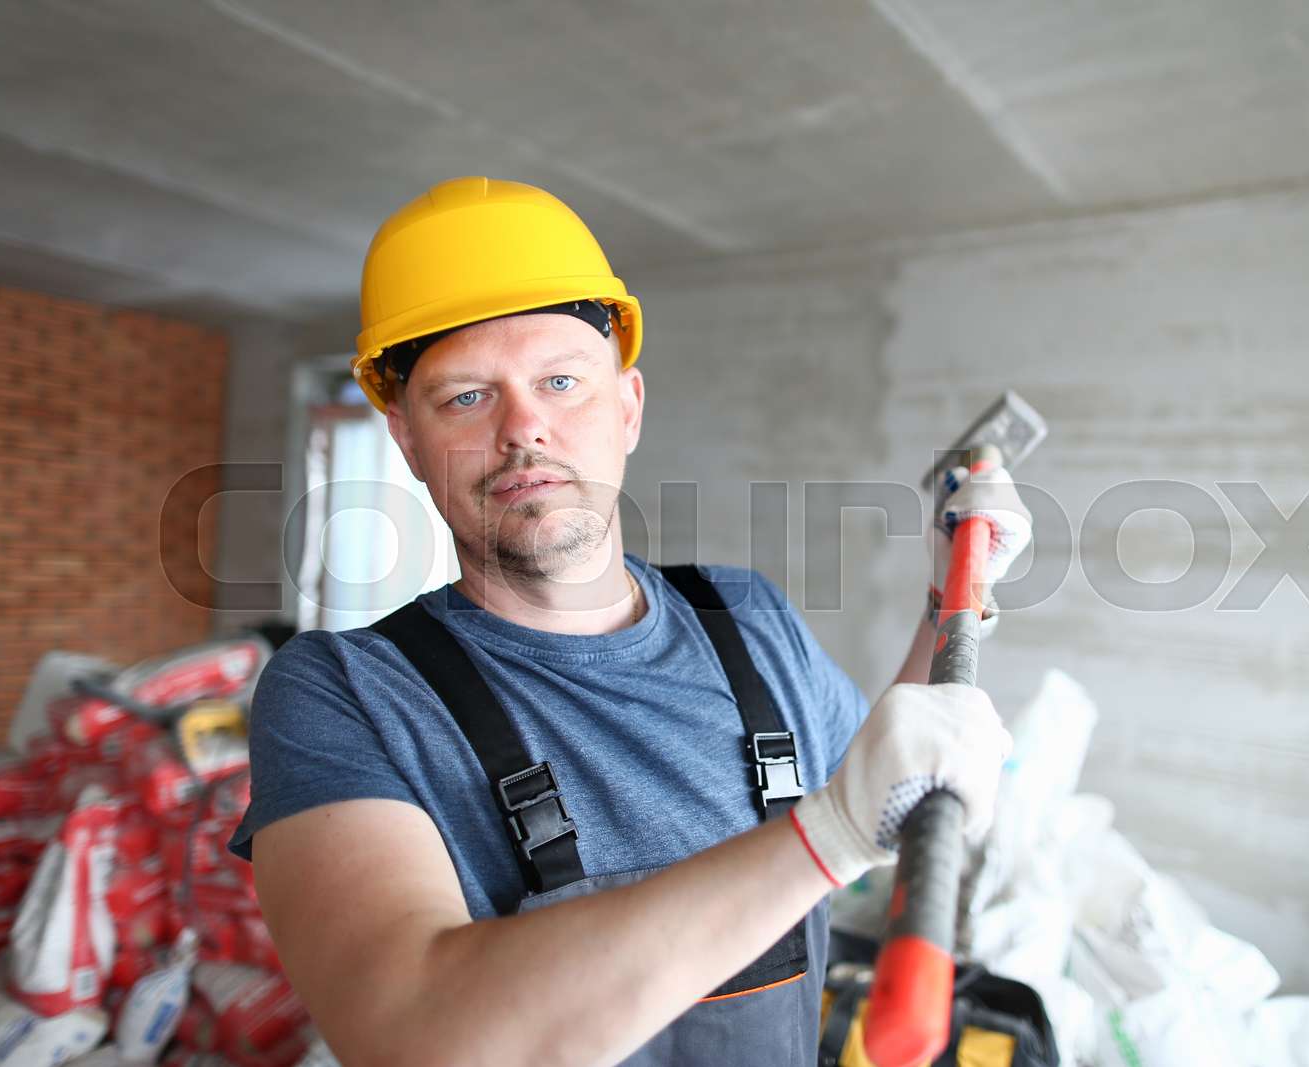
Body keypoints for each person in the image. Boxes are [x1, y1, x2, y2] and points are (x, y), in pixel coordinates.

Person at [229, 176, 1033, 1067]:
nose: (524, 428)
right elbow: (415, 1030)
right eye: (465, 397)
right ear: (408, 442)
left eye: (562, 381)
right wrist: (827, 834)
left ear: (628, 407)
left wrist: (951, 596)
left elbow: (886, 790)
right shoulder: (343, 693)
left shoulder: (747, 618)